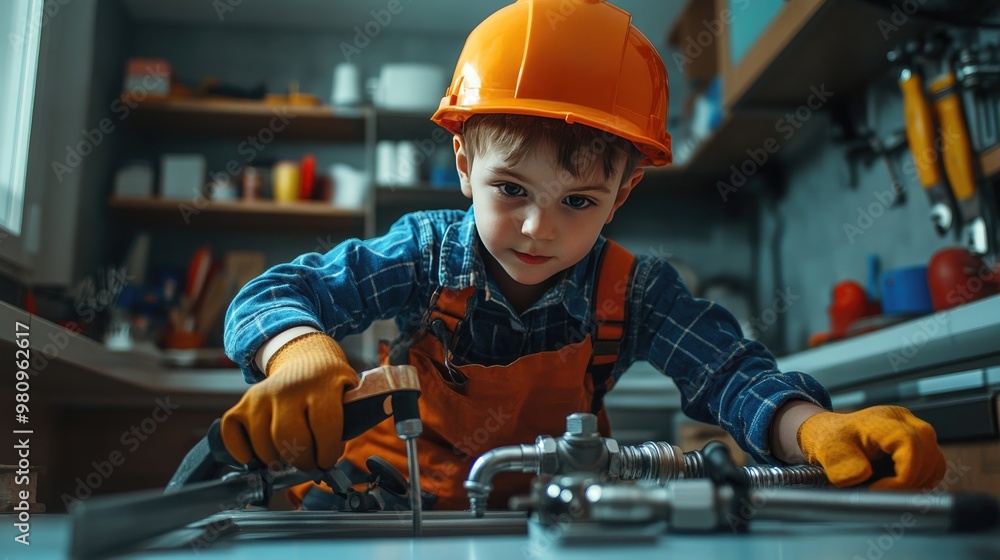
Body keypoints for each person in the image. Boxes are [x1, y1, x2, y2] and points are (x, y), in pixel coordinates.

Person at [221, 0, 946, 511]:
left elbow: (730, 375)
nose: (538, 228)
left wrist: (809, 428)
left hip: (549, 522)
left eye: (578, 202)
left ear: (623, 191)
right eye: (510, 189)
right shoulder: (423, 254)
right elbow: (271, 296)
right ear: (464, 163)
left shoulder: (635, 292)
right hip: (391, 515)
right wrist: (300, 352)